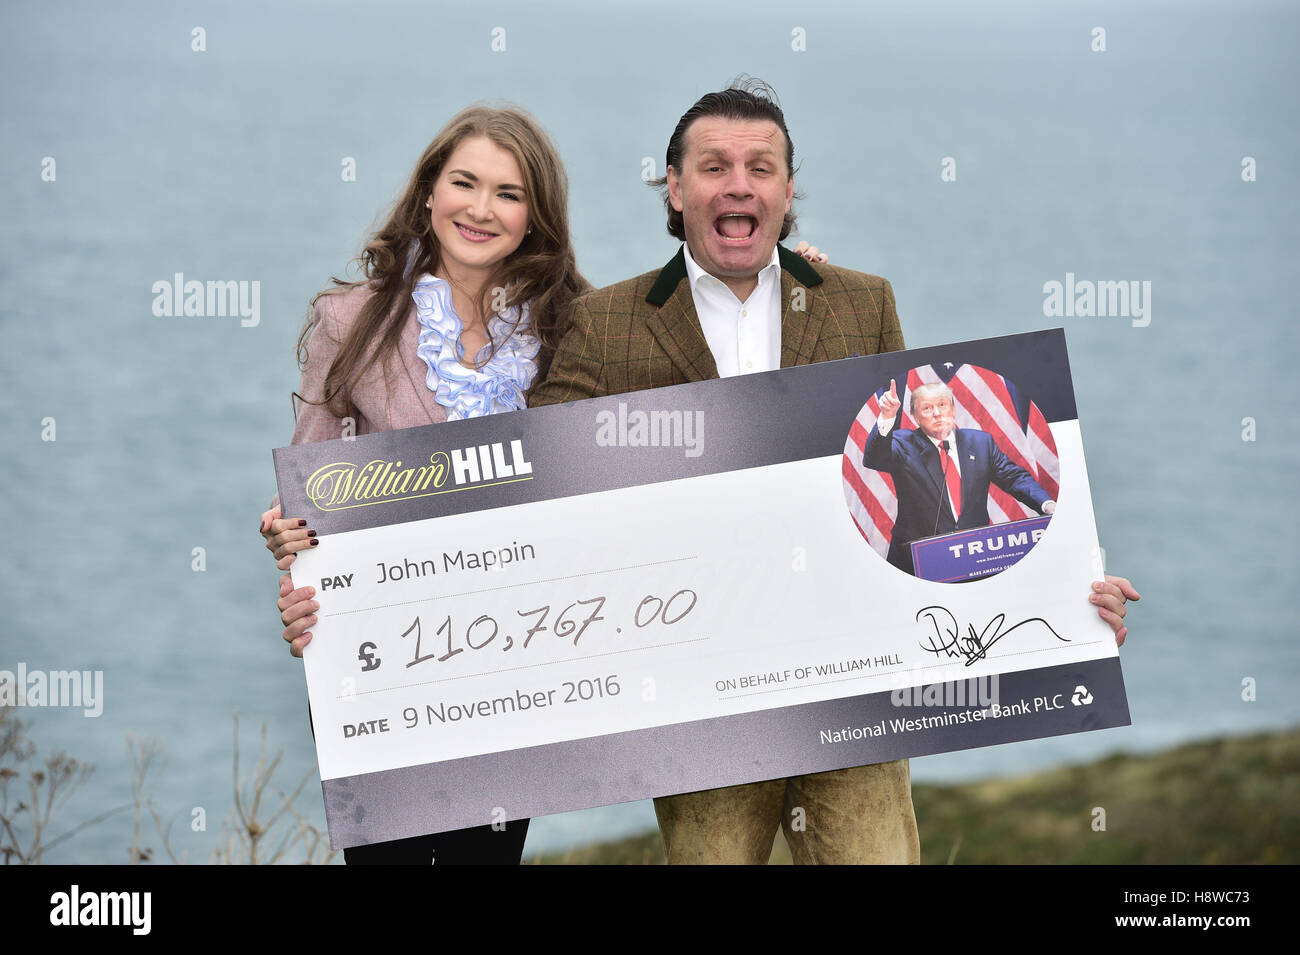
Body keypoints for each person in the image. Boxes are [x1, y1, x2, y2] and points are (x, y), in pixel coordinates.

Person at [529, 78, 1138, 864]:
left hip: (855, 685)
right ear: (675, 189)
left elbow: (926, 487)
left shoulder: (862, 302)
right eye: (713, 167)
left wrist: (1061, 587)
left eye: (762, 167)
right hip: (703, 695)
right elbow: (538, 494)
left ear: (787, 190)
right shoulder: (603, 321)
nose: (738, 183)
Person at [258, 103, 829, 864]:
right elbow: (310, 494)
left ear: (535, 215)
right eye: (465, 183)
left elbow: (687, 412)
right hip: (382, 659)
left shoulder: (575, 322)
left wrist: (789, 283)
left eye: (509, 193)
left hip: (517, 658)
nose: (481, 209)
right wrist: (289, 547)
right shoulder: (349, 319)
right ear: (430, 192)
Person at [864, 378, 1055, 576]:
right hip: (916, 562)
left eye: (942, 405)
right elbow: (875, 458)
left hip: (973, 557)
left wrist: (1046, 504)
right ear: (915, 417)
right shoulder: (903, 444)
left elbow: (1013, 477)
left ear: (953, 409)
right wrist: (887, 417)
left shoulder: (981, 442)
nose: (937, 413)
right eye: (927, 408)